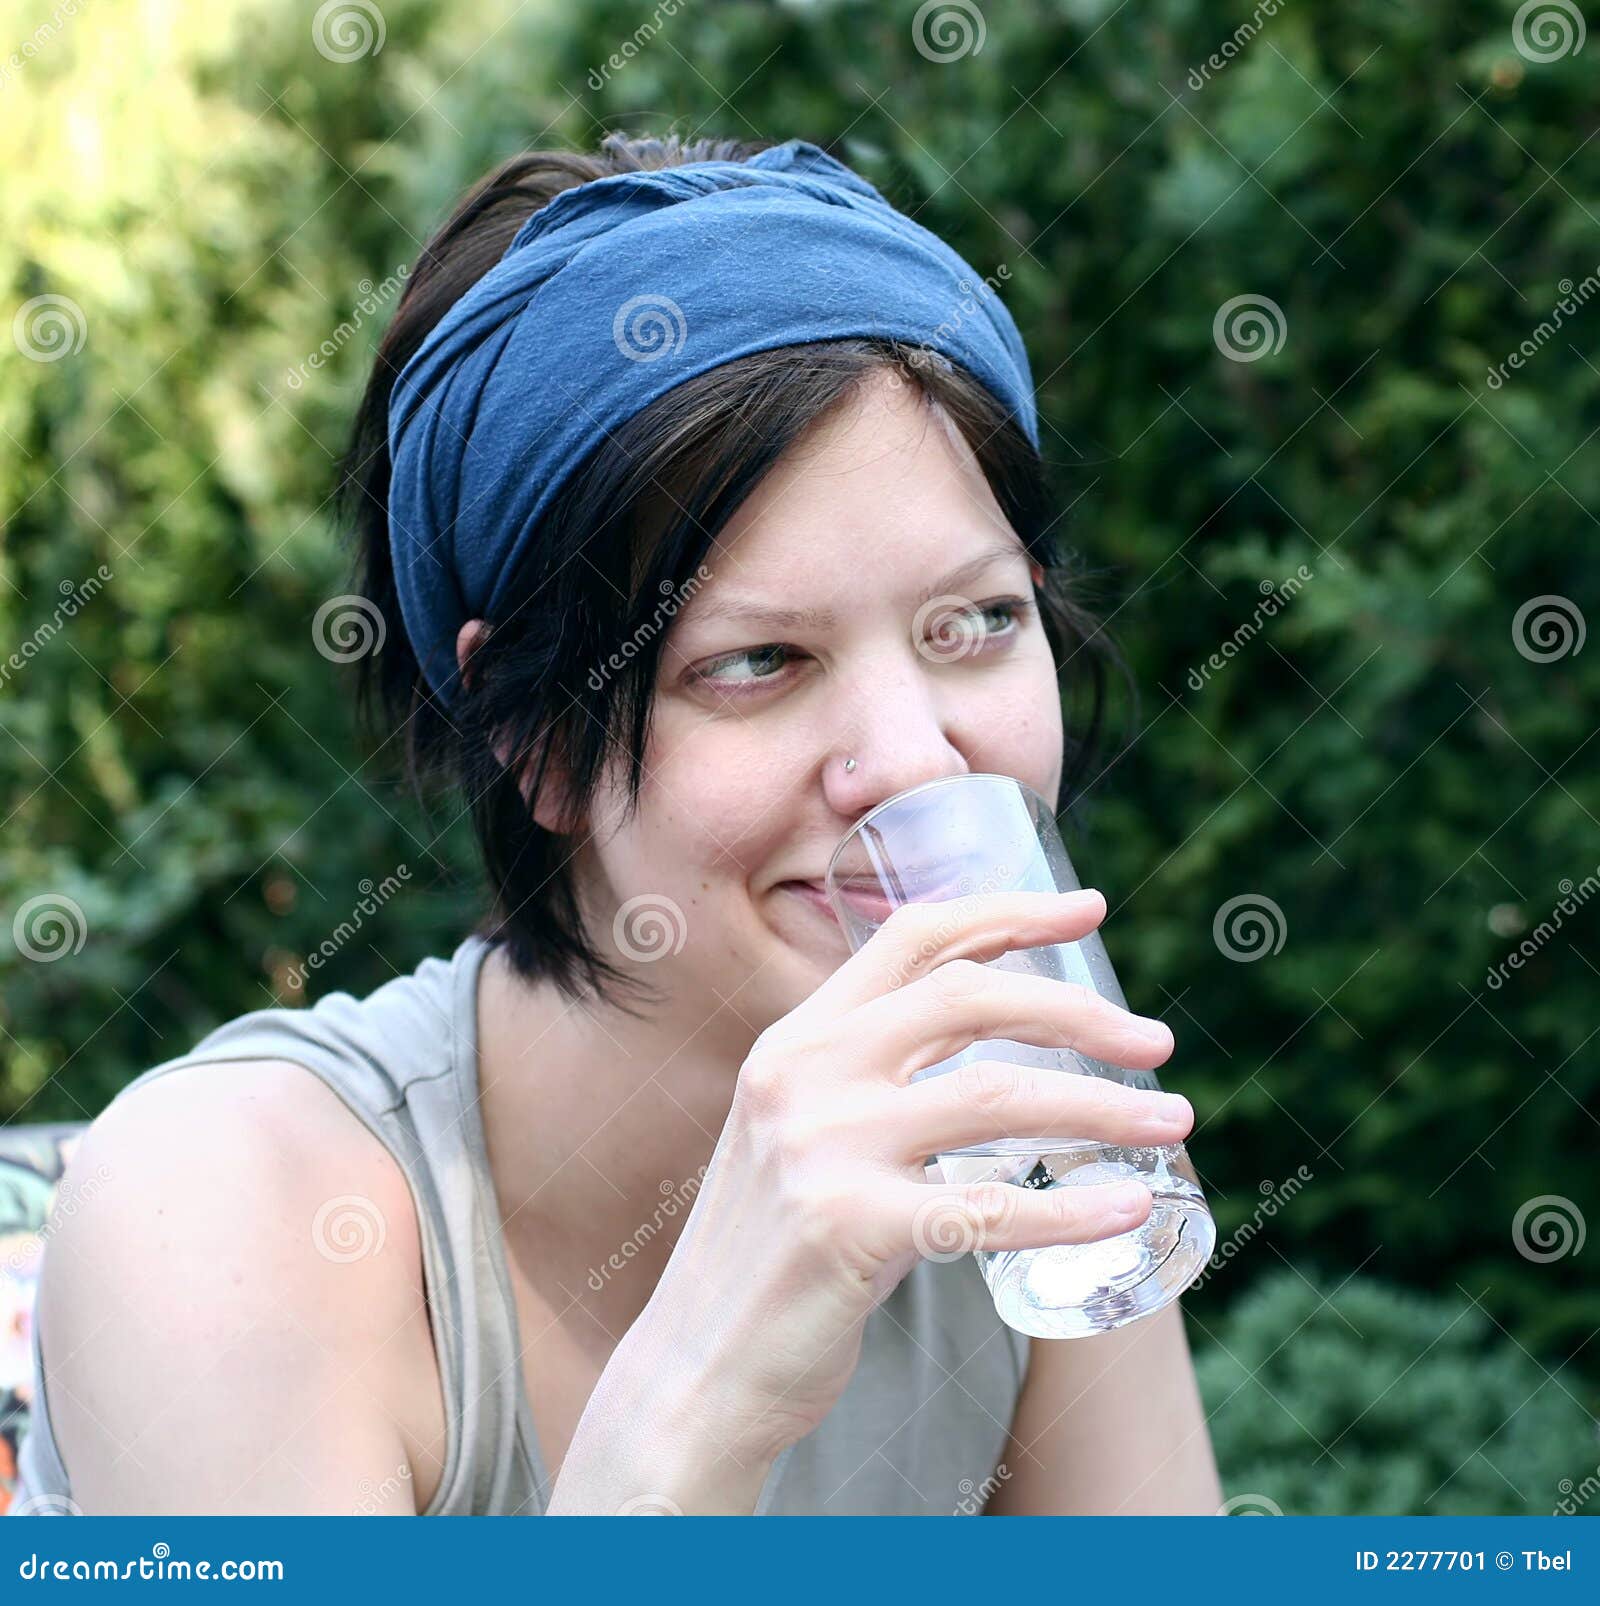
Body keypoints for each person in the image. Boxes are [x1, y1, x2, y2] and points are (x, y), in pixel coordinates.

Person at [15, 132, 1220, 1516]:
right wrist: (696, 1403)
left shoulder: (1035, 1150)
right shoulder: (223, 1212)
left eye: (979, 622)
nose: (910, 759)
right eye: (758, 660)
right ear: (530, 736)